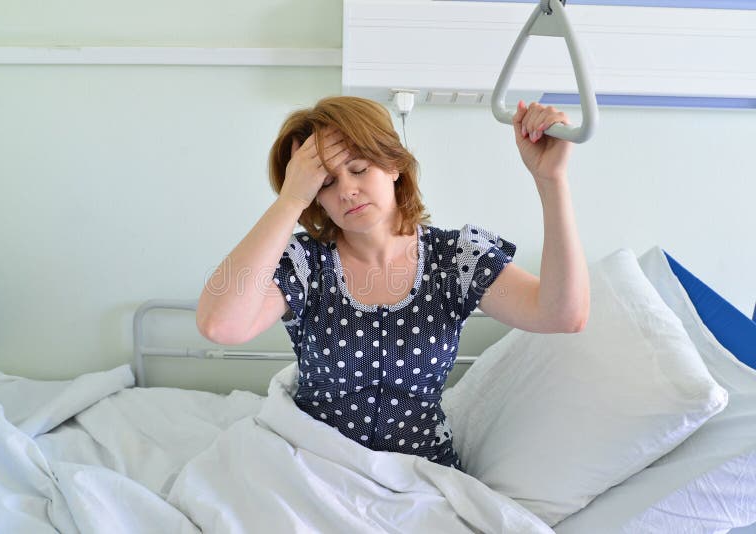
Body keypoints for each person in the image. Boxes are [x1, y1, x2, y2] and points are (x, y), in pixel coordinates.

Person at [197, 95, 590, 469]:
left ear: (393, 164)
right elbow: (221, 325)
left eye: (358, 168)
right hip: (315, 469)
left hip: (419, 478)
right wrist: (289, 201)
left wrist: (551, 180)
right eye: (325, 183)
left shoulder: (455, 259)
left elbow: (564, 314)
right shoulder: (304, 263)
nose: (347, 191)